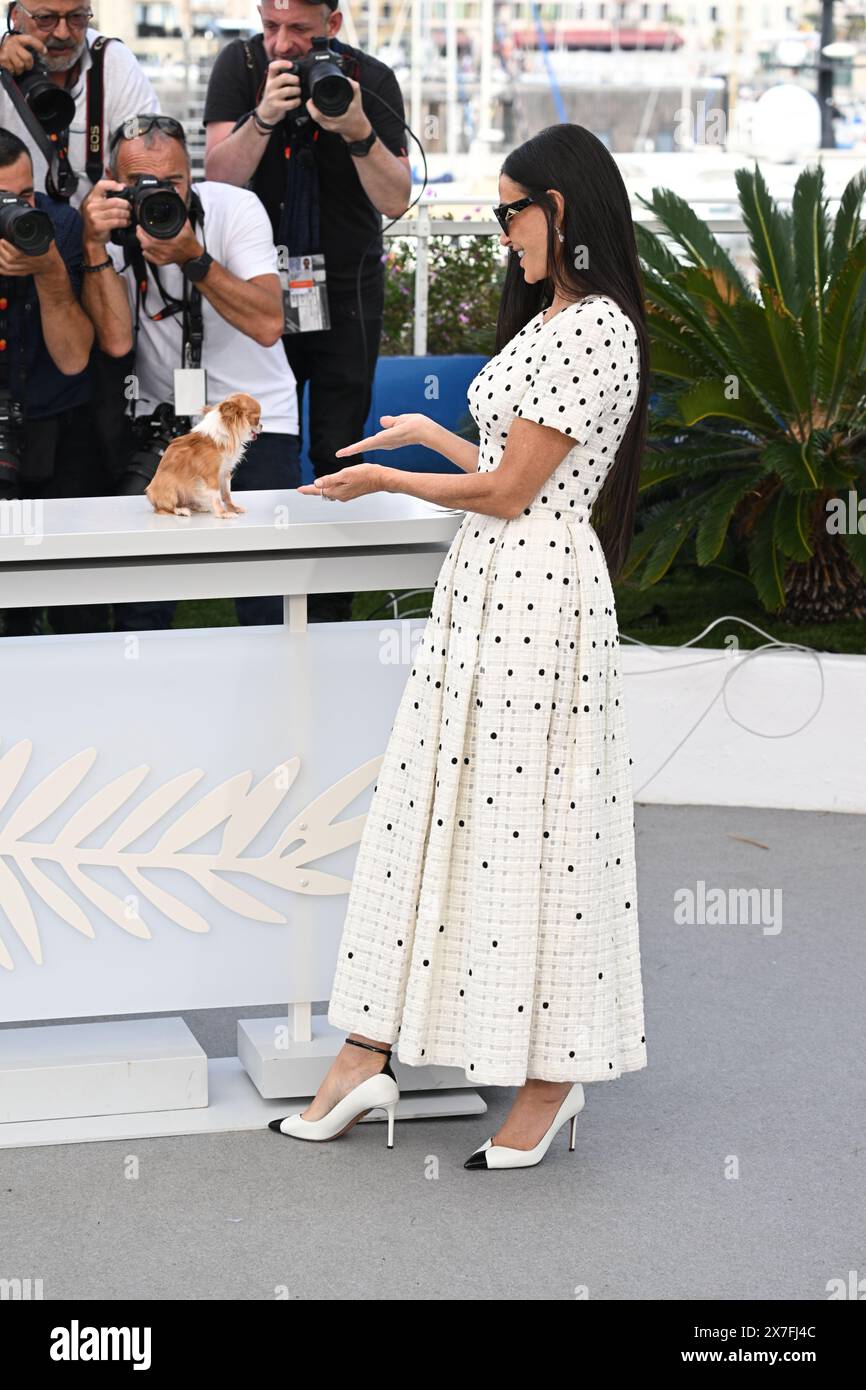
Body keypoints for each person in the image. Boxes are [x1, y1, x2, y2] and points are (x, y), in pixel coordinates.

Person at [269, 124, 651, 1170]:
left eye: (508, 212)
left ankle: (547, 1078)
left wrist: (392, 481)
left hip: (534, 595)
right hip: (491, 589)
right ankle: (367, 1051)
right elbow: (503, 458)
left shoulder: (595, 327)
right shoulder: (560, 321)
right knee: (436, 811)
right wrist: (424, 441)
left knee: (526, 827)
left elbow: (514, 490)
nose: (501, 234)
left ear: (560, 210)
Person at [202, 0, 411, 622]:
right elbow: (217, 178)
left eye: (300, 30)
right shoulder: (240, 67)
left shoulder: (367, 79)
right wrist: (264, 115)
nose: (283, 43)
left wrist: (356, 129)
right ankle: (264, 607)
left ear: (334, 26)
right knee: (260, 446)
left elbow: (396, 199)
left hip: (345, 285)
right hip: (263, 289)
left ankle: (329, 611)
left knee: (341, 447)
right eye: (271, 27)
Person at [79, 113, 301, 631]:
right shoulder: (108, 228)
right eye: (138, 184)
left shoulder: (233, 207)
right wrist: (92, 246)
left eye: (173, 182)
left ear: (191, 176)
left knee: (264, 581)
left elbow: (269, 322)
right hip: (168, 423)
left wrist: (193, 258)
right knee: (147, 589)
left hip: (252, 419)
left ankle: (273, 696)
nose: (160, 194)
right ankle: (144, 700)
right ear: (114, 183)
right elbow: (114, 341)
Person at [0, 127, 108, 638]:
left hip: (61, 426)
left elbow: (72, 358)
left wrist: (48, 273)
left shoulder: (59, 225)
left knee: (76, 598)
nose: (19, 212)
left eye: (24, 196)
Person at [0, 1, 159, 207]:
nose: (63, 33)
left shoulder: (113, 61)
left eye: (77, 18)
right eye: (46, 19)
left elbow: (152, 156)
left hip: (102, 232)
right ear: (15, 17)